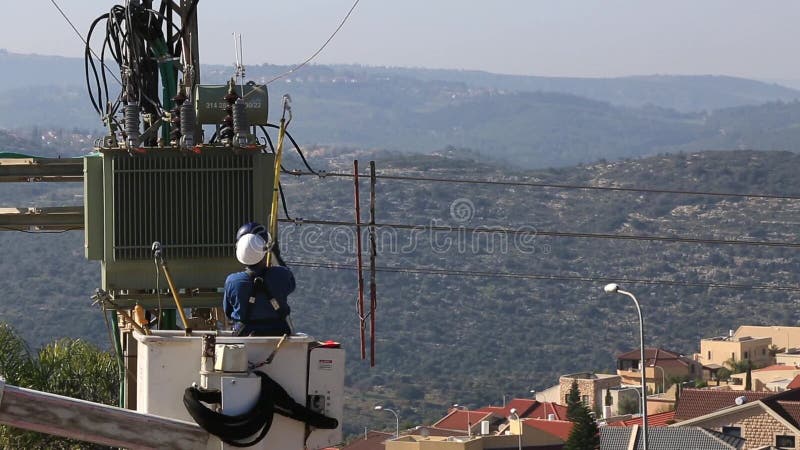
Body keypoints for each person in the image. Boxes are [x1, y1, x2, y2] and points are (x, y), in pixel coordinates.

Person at [223, 222, 295, 336]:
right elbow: (291, 284)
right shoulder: (282, 275)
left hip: (245, 334)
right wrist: (277, 255)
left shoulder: (232, 281)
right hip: (279, 333)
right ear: (265, 251)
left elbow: (228, 311)